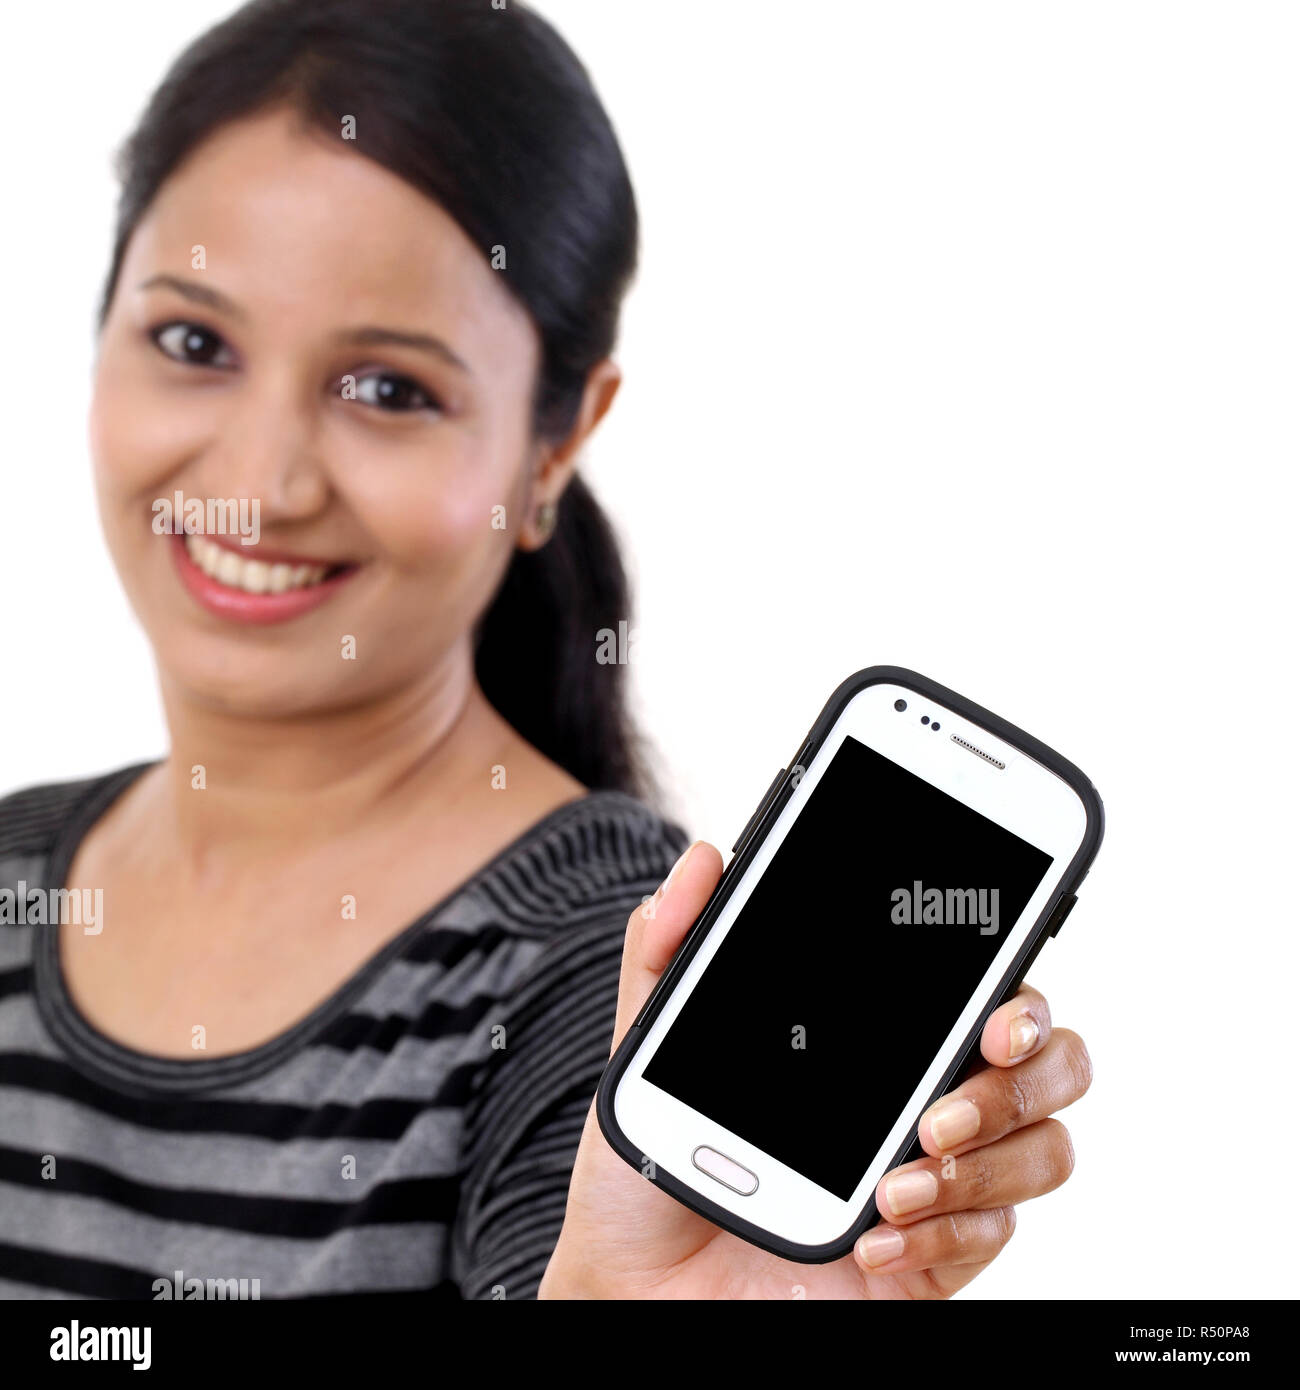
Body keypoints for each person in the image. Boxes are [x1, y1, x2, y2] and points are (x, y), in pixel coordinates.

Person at [0, 0, 1090, 1300]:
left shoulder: (604, 967)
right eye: (193, 342)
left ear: (554, 445)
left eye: (393, 390)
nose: (261, 479)